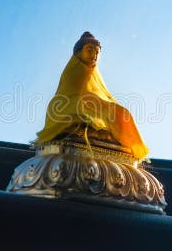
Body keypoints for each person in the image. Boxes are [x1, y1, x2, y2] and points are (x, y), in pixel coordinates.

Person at [36, 32, 149, 160]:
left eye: (97, 52)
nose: (94, 55)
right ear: (78, 53)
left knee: (122, 113)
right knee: (75, 107)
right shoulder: (72, 71)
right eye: (89, 50)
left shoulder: (95, 75)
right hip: (71, 107)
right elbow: (70, 95)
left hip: (92, 107)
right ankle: (92, 128)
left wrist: (106, 106)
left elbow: (101, 97)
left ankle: (110, 135)